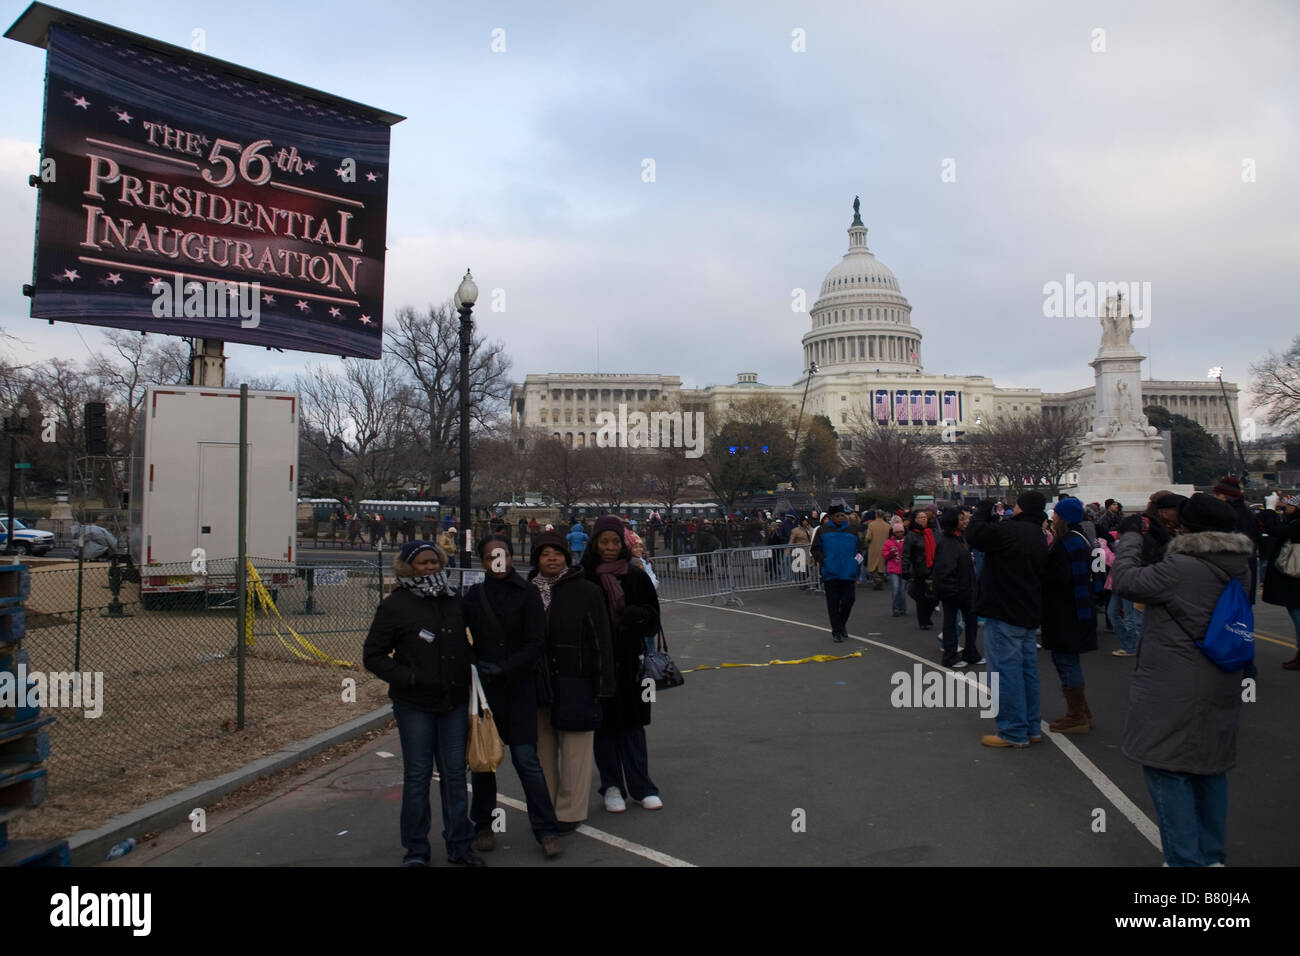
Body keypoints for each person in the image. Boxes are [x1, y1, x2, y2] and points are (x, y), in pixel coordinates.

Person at [1111, 493, 1253, 866]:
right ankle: (1211, 855)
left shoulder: (1182, 568)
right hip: (1218, 677)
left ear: (1188, 527)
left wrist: (1130, 539)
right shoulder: (1238, 564)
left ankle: (1184, 860)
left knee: (1166, 767)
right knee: (1208, 769)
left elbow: (1126, 580)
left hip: (1174, 682)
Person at [362, 541, 481, 867]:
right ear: (408, 567)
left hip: (453, 701)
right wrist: (409, 677)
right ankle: (416, 851)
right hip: (415, 703)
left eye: (435, 562)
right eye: (423, 563)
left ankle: (460, 845)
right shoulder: (395, 605)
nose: (430, 567)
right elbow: (372, 655)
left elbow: (465, 642)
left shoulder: (451, 599)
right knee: (417, 777)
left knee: (455, 775)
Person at [462, 536, 563, 859]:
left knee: (527, 762)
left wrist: (506, 668)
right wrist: (475, 664)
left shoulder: (528, 592)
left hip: (518, 687)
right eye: (491, 557)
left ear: (511, 557)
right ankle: (484, 825)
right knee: (484, 763)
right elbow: (457, 633)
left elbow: (537, 641)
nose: (498, 561)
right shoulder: (474, 595)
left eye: (502, 555)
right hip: (485, 691)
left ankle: (546, 829)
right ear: (483, 562)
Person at [528, 531, 615, 831]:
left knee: (576, 751)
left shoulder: (586, 591)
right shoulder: (526, 590)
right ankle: (546, 806)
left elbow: (602, 639)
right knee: (543, 750)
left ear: (568, 556)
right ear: (535, 559)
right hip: (538, 681)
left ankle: (570, 812)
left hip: (576, 679)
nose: (552, 558)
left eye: (558, 552)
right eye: (544, 553)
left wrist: (604, 685)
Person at [583, 515, 663, 812]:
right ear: (595, 543)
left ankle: (641, 786)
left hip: (632, 662)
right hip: (597, 663)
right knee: (604, 727)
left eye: (615, 542)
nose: (610, 547)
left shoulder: (636, 575)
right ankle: (612, 785)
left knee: (633, 725)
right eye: (604, 542)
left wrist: (635, 615)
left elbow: (653, 621)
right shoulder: (585, 577)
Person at [966, 492, 1050, 748]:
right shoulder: (1038, 534)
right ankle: (1031, 726)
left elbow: (975, 536)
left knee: (1004, 672)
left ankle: (1012, 731)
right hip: (1027, 609)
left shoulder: (1012, 530)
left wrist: (981, 511)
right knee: (1026, 672)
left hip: (1004, 608)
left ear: (1021, 508)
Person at [1041, 497, 1099, 734]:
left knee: (1067, 660)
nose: (1052, 518)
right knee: (1065, 659)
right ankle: (1082, 711)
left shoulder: (1069, 542)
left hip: (1067, 612)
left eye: (1056, 514)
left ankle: (1077, 715)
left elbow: (1061, 579)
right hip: (1076, 609)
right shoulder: (1080, 539)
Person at [932, 507, 980, 668]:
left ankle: (971, 653)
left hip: (965, 588)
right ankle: (950, 655)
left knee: (970, 622)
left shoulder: (960, 539)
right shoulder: (948, 542)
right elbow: (945, 569)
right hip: (956, 591)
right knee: (951, 623)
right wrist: (954, 590)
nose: (965, 522)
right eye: (961, 519)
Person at [810, 505, 862, 642]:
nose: (840, 517)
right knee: (833, 603)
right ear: (831, 517)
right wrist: (824, 561)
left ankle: (841, 624)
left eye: (842, 515)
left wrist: (855, 562)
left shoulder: (852, 530)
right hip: (831, 573)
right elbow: (815, 549)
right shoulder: (822, 530)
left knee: (848, 601)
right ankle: (837, 631)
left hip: (848, 572)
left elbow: (860, 549)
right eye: (837, 515)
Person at [1260, 494, 1300, 669]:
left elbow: (1275, 530)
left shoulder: (1296, 524)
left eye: (1290, 505)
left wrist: (1270, 509)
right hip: (1294, 578)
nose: (1286, 507)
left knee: (1298, 615)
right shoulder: (1293, 522)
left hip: (1296, 577)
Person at [901, 509, 939, 630]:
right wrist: (905, 570)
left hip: (934, 569)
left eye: (925, 517)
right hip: (919, 570)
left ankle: (927, 615)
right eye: (920, 517)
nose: (923, 519)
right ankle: (923, 621)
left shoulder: (932, 532)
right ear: (915, 520)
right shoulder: (911, 535)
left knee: (935, 597)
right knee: (922, 598)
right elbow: (906, 554)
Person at [882, 518, 907, 616]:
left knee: (902, 590)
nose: (900, 533)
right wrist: (891, 552)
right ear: (894, 532)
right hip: (893, 568)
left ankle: (903, 608)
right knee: (896, 589)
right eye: (898, 532)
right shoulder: (888, 542)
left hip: (903, 568)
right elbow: (885, 555)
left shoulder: (906, 541)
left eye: (902, 531)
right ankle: (896, 609)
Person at [865, 509, 890, 590]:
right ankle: (881, 579)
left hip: (874, 548)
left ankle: (877, 580)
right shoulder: (888, 525)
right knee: (882, 566)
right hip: (885, 548)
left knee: (873, 566)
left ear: (876, 515)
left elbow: (868, 537)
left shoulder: (871, 525)